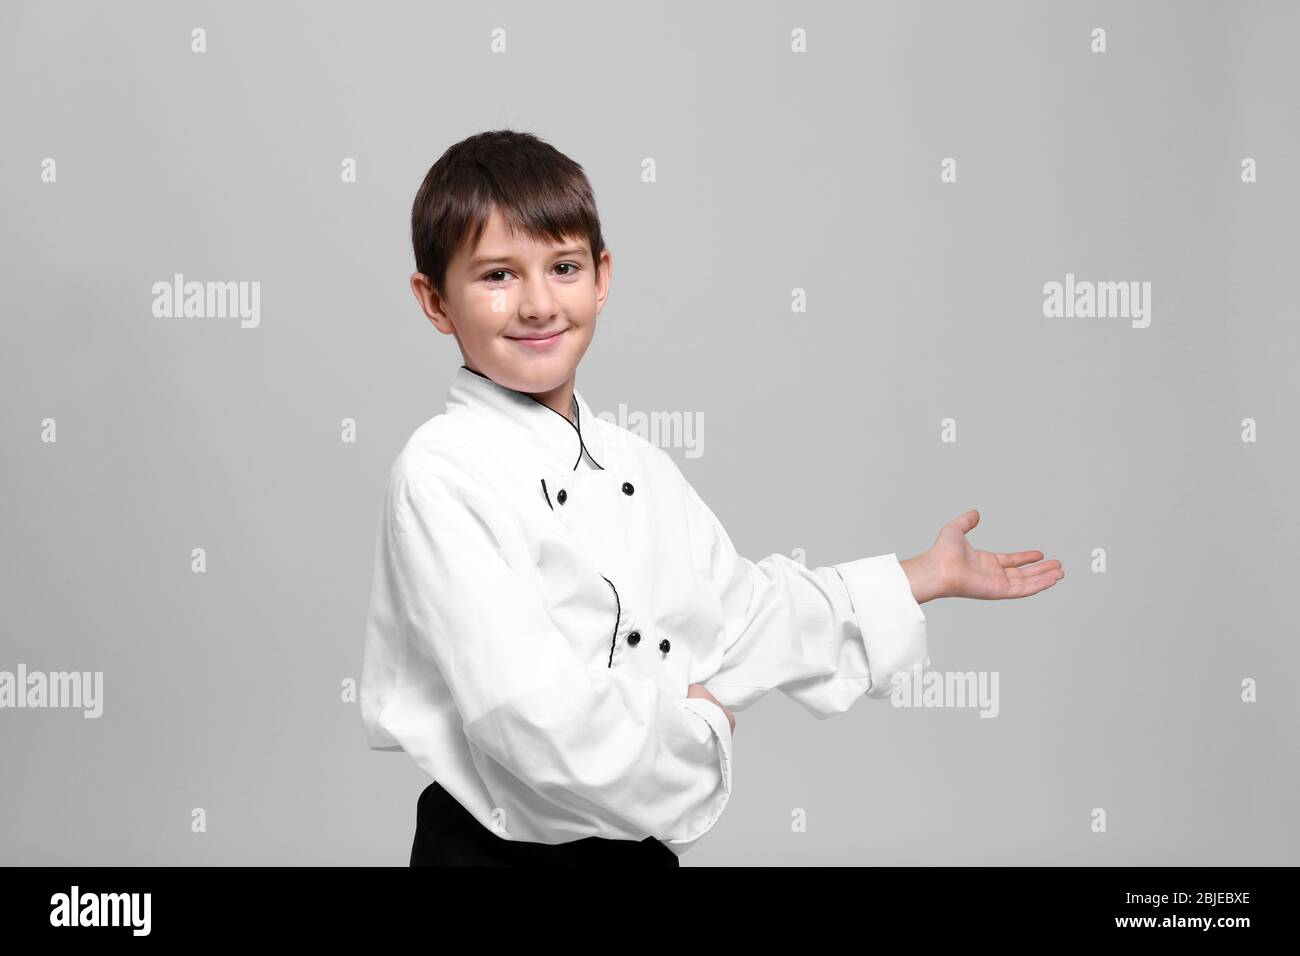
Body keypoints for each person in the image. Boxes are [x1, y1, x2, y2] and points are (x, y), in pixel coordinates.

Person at [358, 129, 1064, 867]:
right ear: (435, 300)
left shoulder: (641, 463)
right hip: (490, 858)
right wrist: (702, 727)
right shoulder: (442, 472)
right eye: (498, 276)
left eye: (562, 267)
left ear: (601, 277)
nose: (538, 304)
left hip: (637, 850)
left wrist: (922, 575)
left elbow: (745, 613)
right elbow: (530, 721)